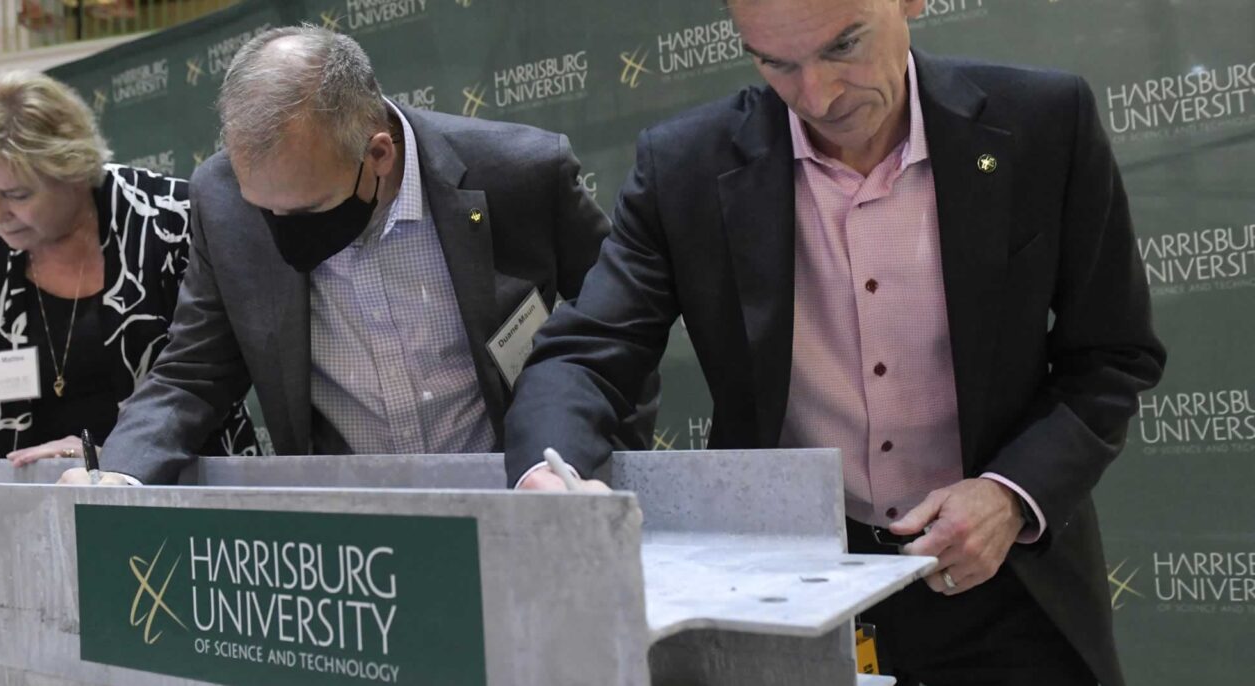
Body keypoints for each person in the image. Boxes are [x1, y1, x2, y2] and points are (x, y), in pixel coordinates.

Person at [503, 1, 1166, 684]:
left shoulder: (1042, 124)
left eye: (844, 46)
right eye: (776, 64)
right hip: (787, 591)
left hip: (1002, 584)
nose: (817, 96)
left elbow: (1113, 355)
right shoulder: (685, 168)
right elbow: (586, 352)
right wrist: (547, 478)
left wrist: (1008, 494)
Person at [62, 25, 653, 486]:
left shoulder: (520, 175)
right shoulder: (223, 203)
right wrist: (120, 471)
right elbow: (194, 372)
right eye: (262, 207)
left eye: (305, 208)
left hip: (518, 500)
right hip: (354, 540)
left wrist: (591, 468)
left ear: (378, 153)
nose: (277, 229)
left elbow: (613, 334)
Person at [0, 70, 255, 483]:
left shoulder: (171, 223)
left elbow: (212, 378)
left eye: (17, 194)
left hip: (183, 498)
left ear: (74, 171)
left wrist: (110, 459)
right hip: (36, 519)